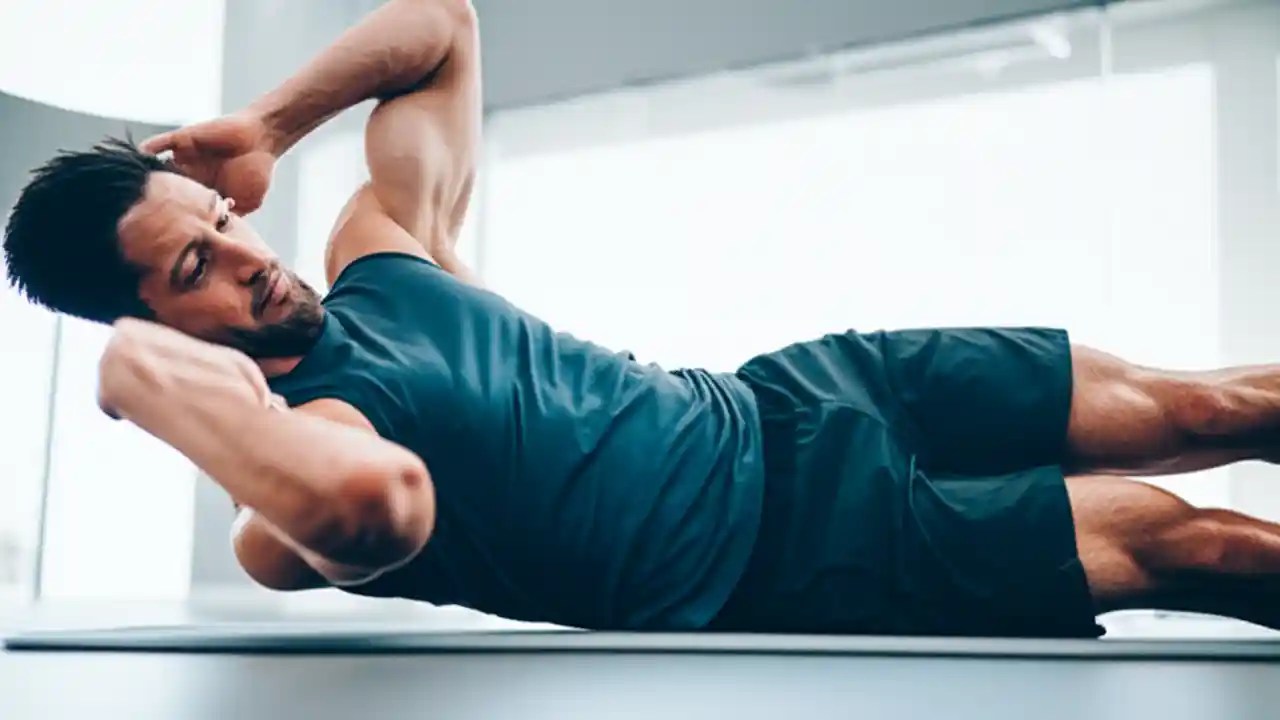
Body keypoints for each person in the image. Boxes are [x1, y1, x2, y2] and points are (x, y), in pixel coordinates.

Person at [6, 0, 1280, 637]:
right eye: (198, 266)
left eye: (222, 219)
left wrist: (269, 126)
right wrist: (145, 382)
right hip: (797, 555)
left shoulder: (380, 253)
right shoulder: (299, 473)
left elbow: (443, 27)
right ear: (148, 326)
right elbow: (369, 510)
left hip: (795, 395)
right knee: (1200, 546)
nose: (250, 255)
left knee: (1207, 405)